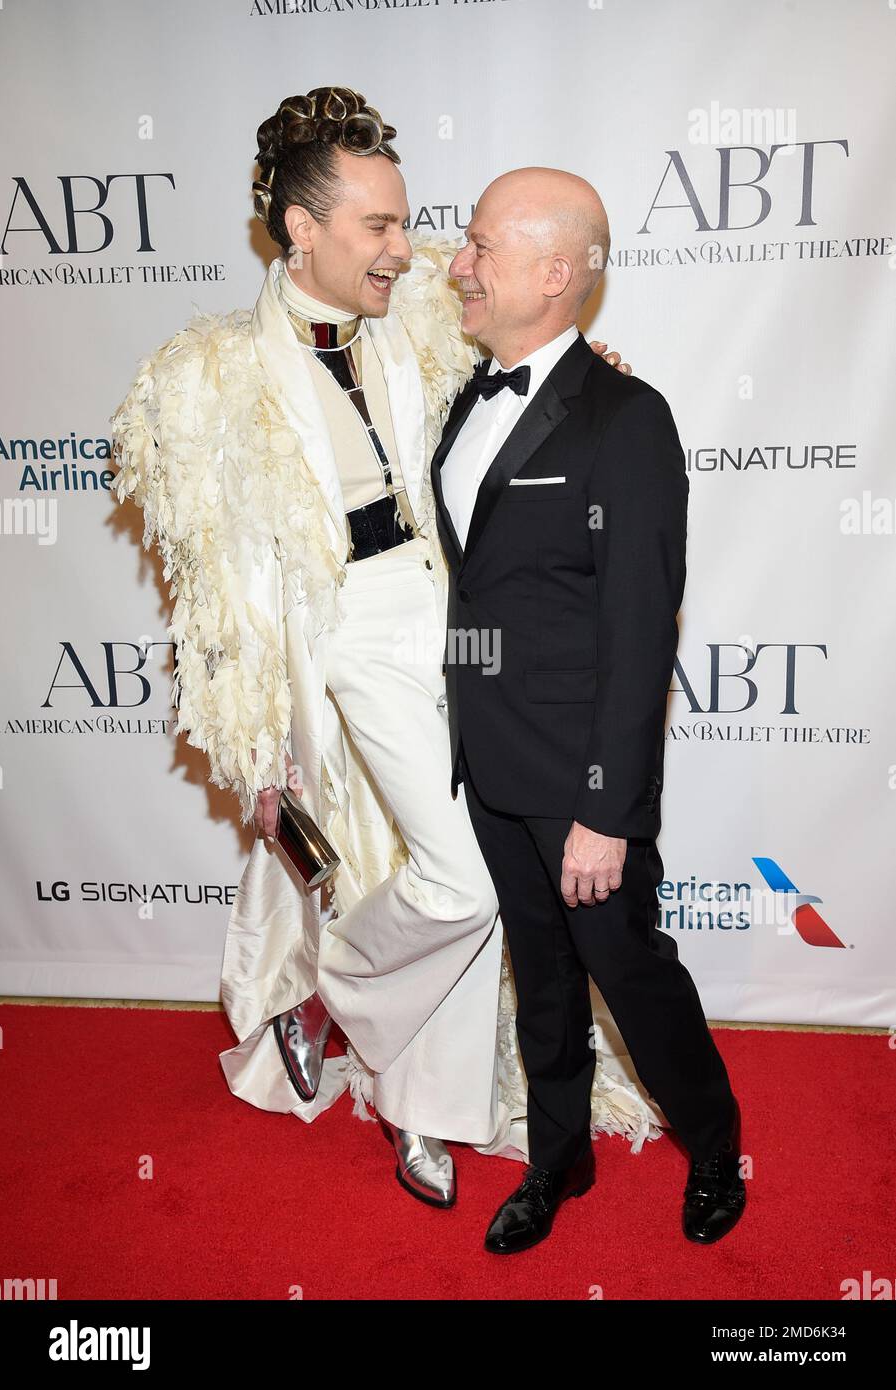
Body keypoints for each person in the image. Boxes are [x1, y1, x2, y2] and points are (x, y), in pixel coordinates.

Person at [110, 88, 637, 1209]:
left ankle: (414, 1103)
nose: (411, 250)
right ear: (302, 230)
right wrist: (256, 752)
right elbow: (214, 581)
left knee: (457, 863)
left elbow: (528, 353)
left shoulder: (425, 312)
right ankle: (335, 1000)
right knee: (463, 879)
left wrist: (593, 390)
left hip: (456, 607)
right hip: (337, 628)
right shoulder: (209, 375)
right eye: (380, 229)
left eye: (407, 223)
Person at [433, 166, 747, 1250]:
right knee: (544, 984)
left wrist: (605, 810)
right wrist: (463, 713)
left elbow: (637, 629)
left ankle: (710, 1136)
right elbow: (479, 587)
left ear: (554, 273)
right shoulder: (463, 399)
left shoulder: (628, 421)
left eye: (479, 246)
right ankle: (558, 1159)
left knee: (628, 972)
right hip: (492, 769)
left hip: (585, 784)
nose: (457, 264)